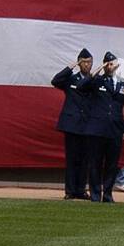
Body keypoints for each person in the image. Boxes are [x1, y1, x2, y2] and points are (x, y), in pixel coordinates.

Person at [82, 52, 124, 203]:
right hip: (97, 128)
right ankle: (96, 194)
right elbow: (83, 85)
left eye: (112, 63)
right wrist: (99, 69)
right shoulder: (98, 81)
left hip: (115, 128)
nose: (110, 66)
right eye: (107, 64)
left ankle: (108, 194)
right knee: (95, 162)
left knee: (112, 163)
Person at [52, 48, 93, 199]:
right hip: (71, 124)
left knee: (84, 160)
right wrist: (72, 66)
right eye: (84, 62)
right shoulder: (71, 79)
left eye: (89, 62)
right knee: (71, 158)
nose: (87, 65)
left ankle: (81, 190)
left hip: (87, 125)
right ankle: (70, 191)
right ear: (80, 63)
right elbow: (56, 81)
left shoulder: (93, 80)